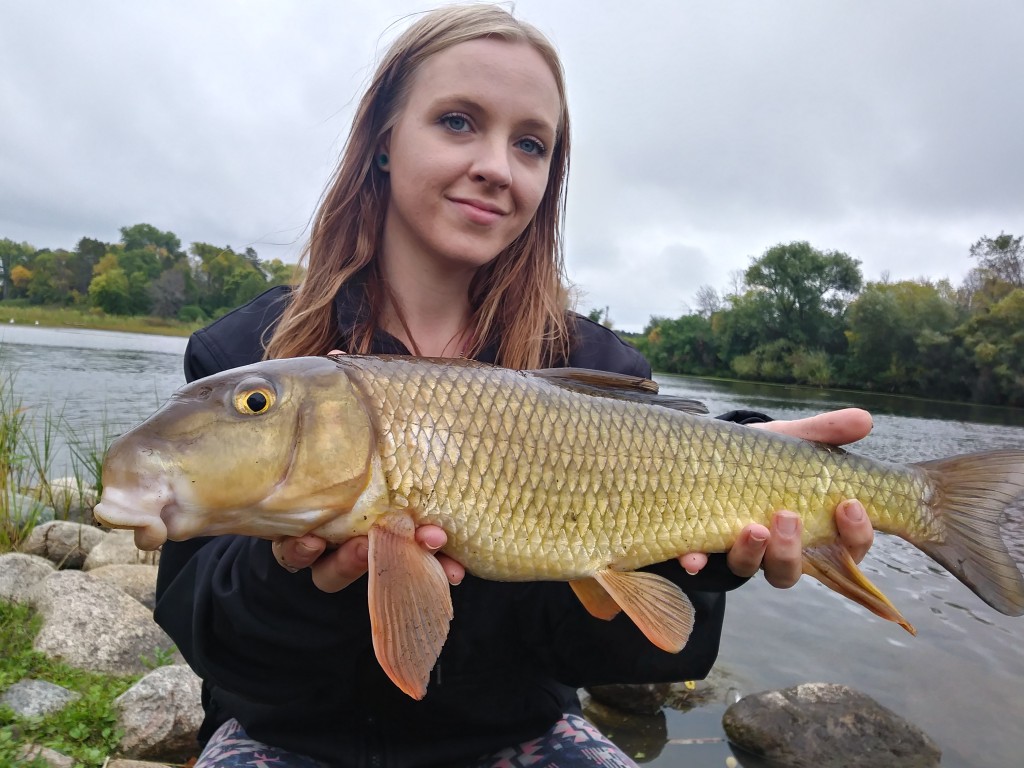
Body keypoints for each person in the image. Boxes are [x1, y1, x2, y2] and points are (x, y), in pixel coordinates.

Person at [155, 5, 875, 767]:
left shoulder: (600, 367)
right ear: (383, 142)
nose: (497, 166)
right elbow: (208, 637)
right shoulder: (250, 358)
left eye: (530, 144)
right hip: (286, 737)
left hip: (518, 735)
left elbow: (624, 654)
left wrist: (695, 539)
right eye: (459, 122)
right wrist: (290, 574)